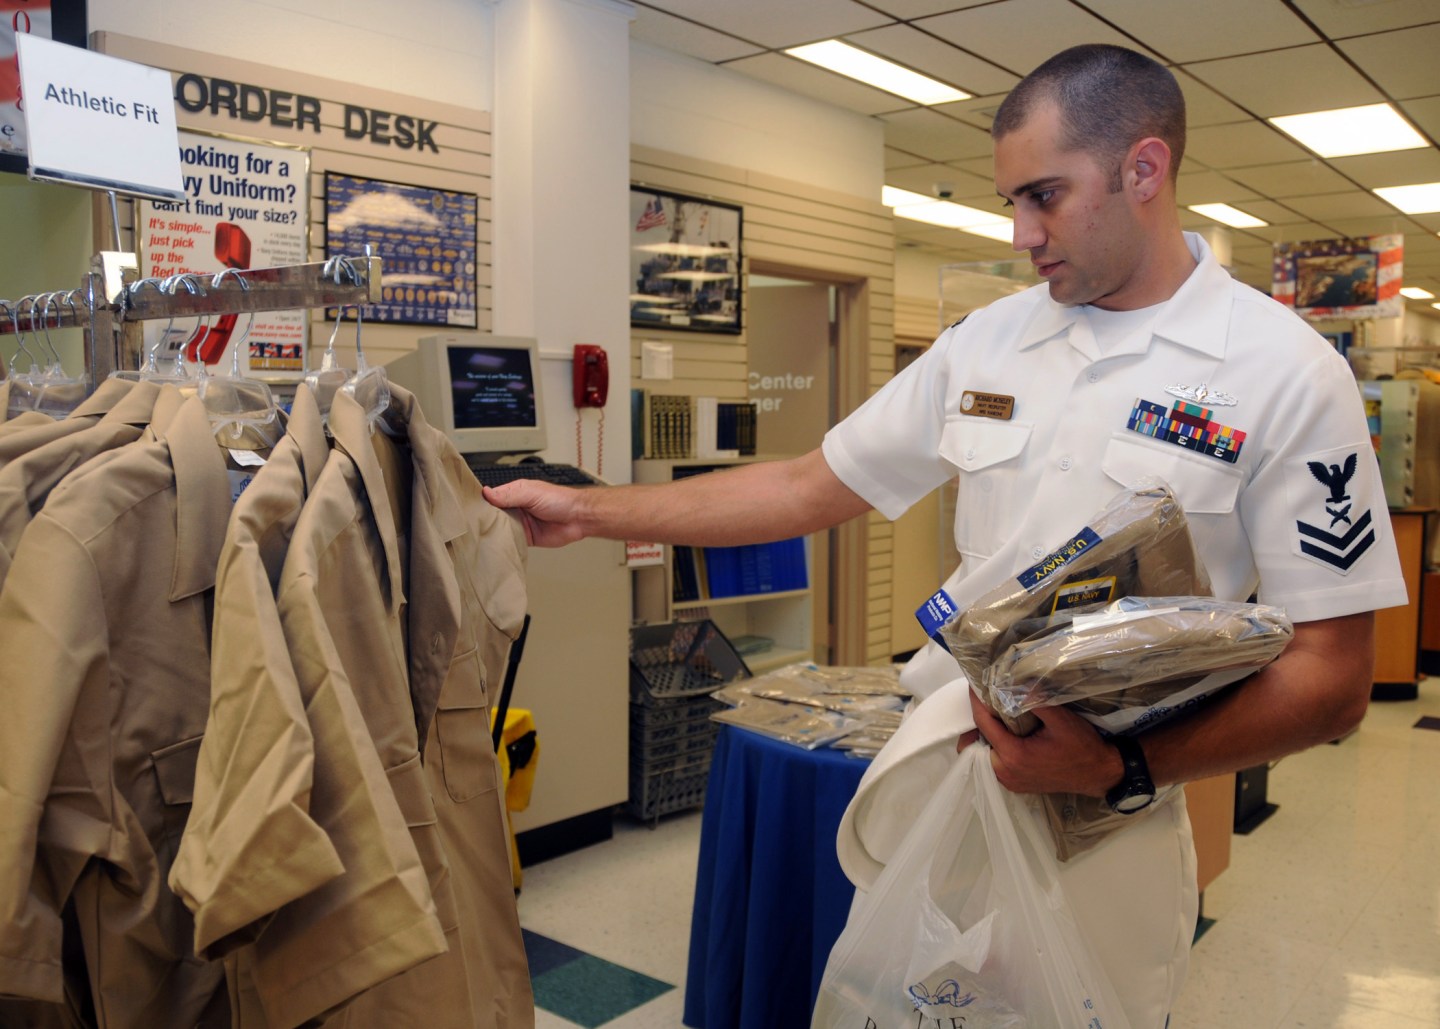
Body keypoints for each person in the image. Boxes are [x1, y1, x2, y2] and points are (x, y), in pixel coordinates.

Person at [485, 43, 1407, 1027]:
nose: (1020, 233)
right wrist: (588, 509)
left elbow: (1334, 677)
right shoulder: (990, 342)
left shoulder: (1283, 372)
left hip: (1108, 824)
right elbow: (808, 486)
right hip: (940, 778)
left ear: (1145, 170)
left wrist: (1116, 768)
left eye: (1044, 196)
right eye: (1010, 199)